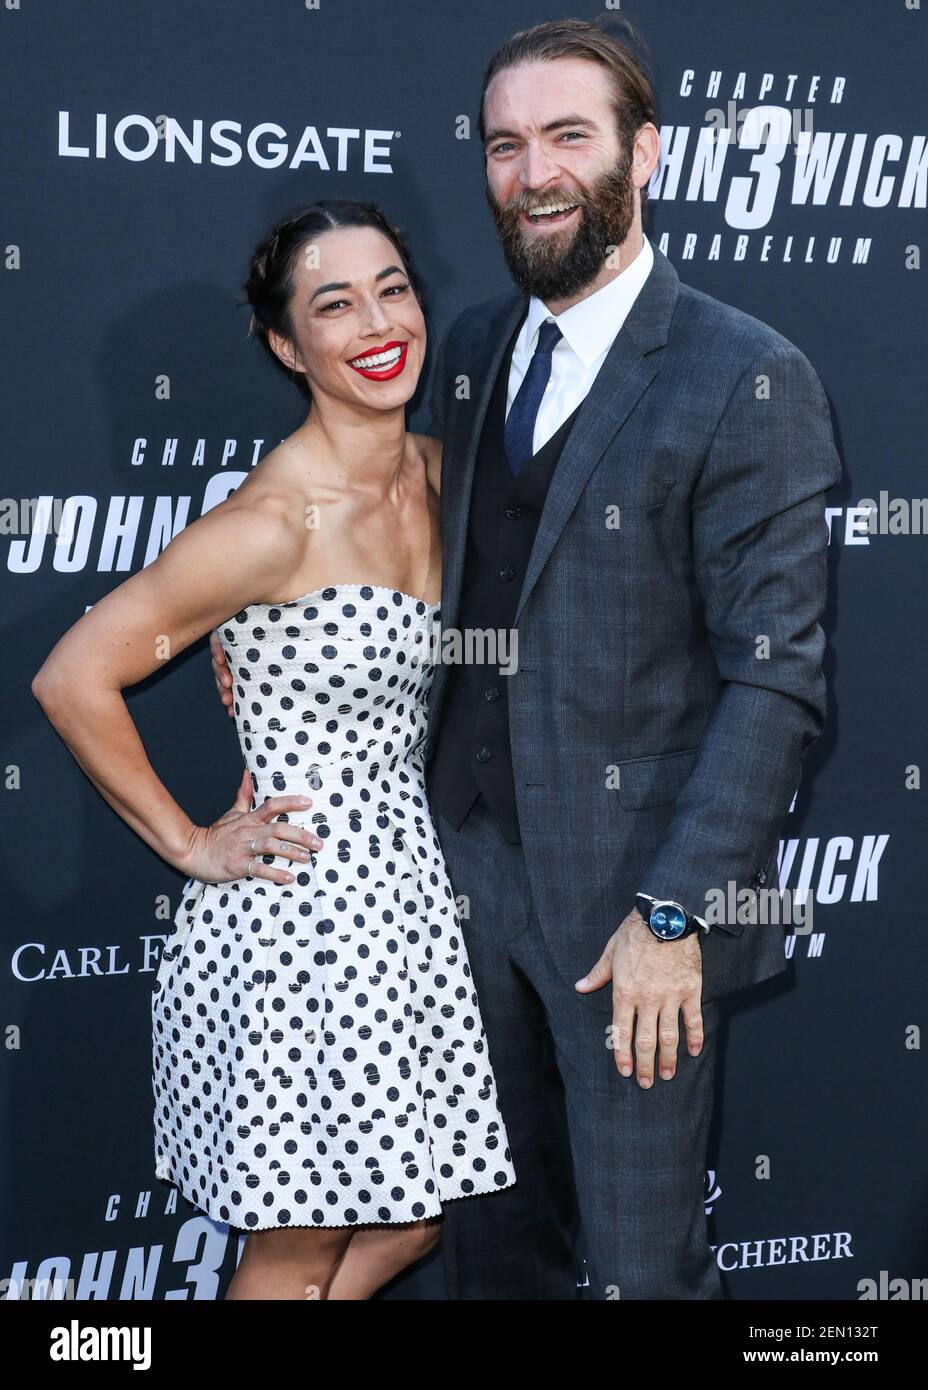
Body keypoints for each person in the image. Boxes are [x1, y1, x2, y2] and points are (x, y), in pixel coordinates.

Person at [214, 17, 842, 1301]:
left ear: (643, 154)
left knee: (639, 1269)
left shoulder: (745, 375)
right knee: (496, 1258)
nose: (534, 171)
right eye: (506, 145)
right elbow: (365, 515)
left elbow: (779, 679)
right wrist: (248, 619)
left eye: (567, 136)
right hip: (446, 892)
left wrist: (675, 912)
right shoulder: (469, 354)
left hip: (631, 915)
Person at [30, 200, 516, 1301]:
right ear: (289, 347)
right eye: (334, 304)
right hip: (298, 918)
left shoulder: (440, 477)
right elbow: (73, 675)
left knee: (413, 1221)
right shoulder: (270, 524)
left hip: (400, 905)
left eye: (393, 287)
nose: (377, 321)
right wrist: (191, 843)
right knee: (297, 1249)